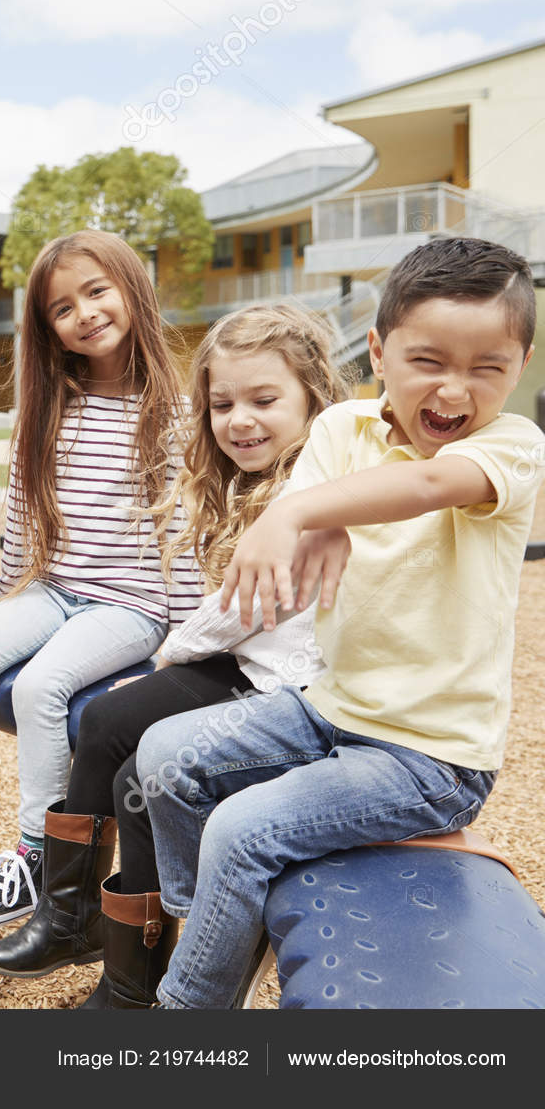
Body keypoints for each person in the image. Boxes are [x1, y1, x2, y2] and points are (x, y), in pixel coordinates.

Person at [139, 237, 544, 1008]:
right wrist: (309, 518)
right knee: (164, 756)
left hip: (429, 759)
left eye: (487, 367)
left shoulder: (513, 448)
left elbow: (429, 483)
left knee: (240, 829)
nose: (455, 391)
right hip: (329, 707)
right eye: (428, 360)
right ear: (378, 351)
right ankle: (220, 930)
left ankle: (188, 1011)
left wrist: (298, 511)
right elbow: (320, 519)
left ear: (520, 365)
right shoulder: (341, 431)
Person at [0, 303, 349, 1007]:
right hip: (249, 661)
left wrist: (171, 652)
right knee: (107, 721)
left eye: (265, 400)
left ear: (316, 400)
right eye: (223, 403)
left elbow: (243, 606)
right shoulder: (248, 479)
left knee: (133, 779)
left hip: (285, 684)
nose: (240, 418)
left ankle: (128, 985)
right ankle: (71, 915)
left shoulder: (311, 490)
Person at [0, 229, 201, 948]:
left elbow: (180, 532)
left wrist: (183, 641)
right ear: (48, 329)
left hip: (131, 605)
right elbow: (28, 514)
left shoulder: (174, 414)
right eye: (64, 307)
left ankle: (37, 853)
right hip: (54, 588)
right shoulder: (49, 403)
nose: (85, 312)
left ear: (132, 290)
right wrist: (0, 598)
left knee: (39, 690)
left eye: (97, 291)